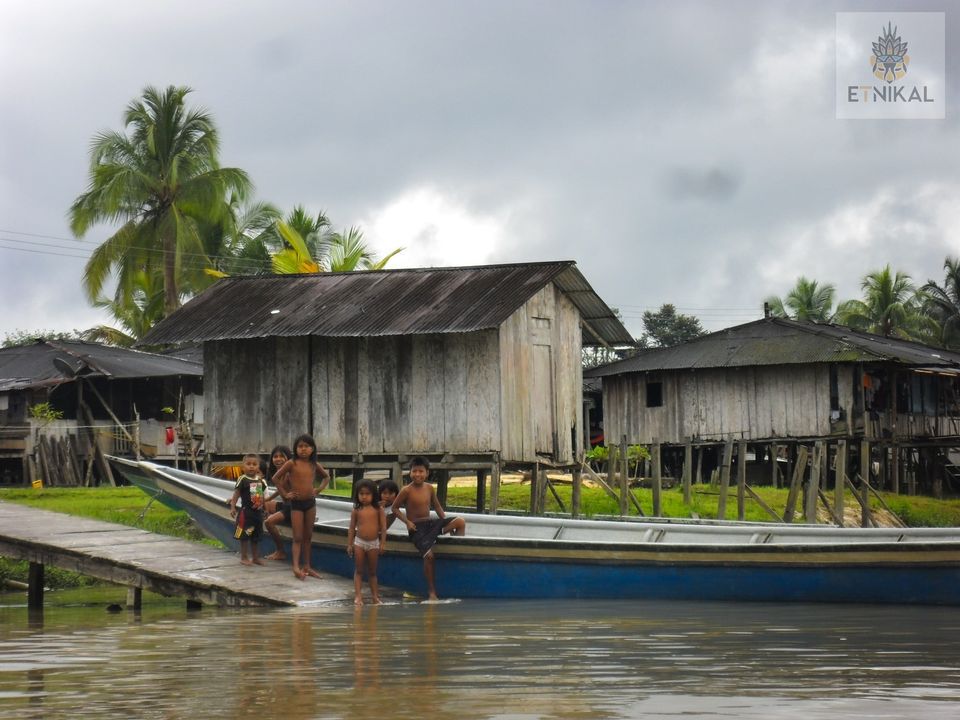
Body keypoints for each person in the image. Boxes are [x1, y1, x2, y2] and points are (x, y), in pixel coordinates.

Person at [392, 456, 465, 599]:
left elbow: (437, 506)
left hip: (430, 524)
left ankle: (456, 551)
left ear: (427, 473)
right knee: (429, 556)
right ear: (410, 472)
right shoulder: (406, 490)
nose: (417, 474)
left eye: (421, 471)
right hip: (416, 528)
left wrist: (444, 522)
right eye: (414, 471)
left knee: (460, 522)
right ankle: (432, 592)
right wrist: (407, 522)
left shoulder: (430, 488)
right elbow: (395, 508)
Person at [270, 434, 330, 579]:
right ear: (295, 449)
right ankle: (296, 566)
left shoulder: (313, 464)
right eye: (300, 446)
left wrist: (318, 490)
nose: (303, 449)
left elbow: (326, 477)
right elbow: (275, 478)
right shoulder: (292, 463)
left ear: (312, 449)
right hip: (296, 504)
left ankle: (307, 566)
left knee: (307, 537)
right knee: (297, 537)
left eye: (306, 446)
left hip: (310, 503)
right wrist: (285, 494)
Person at [347, 479, 387, 605]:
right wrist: (349, 544)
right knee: (359, 570)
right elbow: (352, 528)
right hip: (359, 542)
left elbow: (384, 527)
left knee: (372, 572)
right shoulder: (356, 510)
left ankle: (375, 596)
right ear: (357, 495)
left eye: (367, 494)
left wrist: (382, 543)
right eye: (361, 494)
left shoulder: (378, 509)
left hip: (373, 543)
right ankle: (358, 596)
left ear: (373, 495)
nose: (364, 497)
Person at [228, 453, 268, 566]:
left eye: (254, 464)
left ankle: (255, 557)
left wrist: (265, 510)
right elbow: (236, 494)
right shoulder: (243, 479)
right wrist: (232, 506)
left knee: (256, 536)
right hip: (247, 513)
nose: (251, 466)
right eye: (248, 464)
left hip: (258, 513)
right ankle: (244, 557)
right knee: (245, 535)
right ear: (243, 466)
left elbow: (262, 497)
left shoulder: (261, 481)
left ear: (258, 466)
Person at [262, 445, 293, 561]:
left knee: (268, 522)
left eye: (281, 456)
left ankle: (280, 551)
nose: (278, 459)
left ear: (288, 458)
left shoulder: (289, 472)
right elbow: (281, 489)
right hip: (286, 505)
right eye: (275, 456)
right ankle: (260, 516)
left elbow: (287, 491)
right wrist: (268, 499)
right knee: (263, 504)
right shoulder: (279, 472)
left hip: (293, 508)